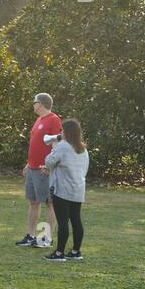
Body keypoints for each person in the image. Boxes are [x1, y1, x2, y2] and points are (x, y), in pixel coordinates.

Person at [18, 92, 62, 249]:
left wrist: (50, 166)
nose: (33, 105)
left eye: (34, 102)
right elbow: (34, 144)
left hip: (44, 169)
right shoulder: (38, 120)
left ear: (41, 104)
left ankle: (48, 238)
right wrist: (28, 163)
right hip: (32, 168)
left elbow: (57, 144)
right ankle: (30, 235)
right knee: (33, 201)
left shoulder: (54, 120)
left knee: (49, 203)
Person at [42, 118, 89, 261]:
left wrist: (55, 146)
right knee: (76, 220)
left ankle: (59, 253)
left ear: (66, 132)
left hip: (62, 189)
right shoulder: (83, 148)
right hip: (78, 188)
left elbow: (49, 161)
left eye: (62, 130)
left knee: (63, 221)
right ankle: (76, 251)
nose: (60, 132)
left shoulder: (63, 146)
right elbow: (84, 169)